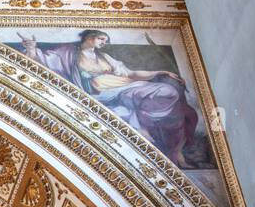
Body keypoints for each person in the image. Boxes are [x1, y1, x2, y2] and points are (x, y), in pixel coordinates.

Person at [19, 30, 199, 167]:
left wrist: (160, 71)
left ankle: (147, 126)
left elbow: (131, 73)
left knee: (167, 91)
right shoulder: (69, 53)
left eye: (105, 40)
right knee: (144, 98)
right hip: (102, 95)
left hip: (124, 86)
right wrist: (31, 49)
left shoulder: (105, 57)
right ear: (90, 37)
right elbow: (46, 60)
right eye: (101, 39)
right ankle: (142, 127)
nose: (104, 42)